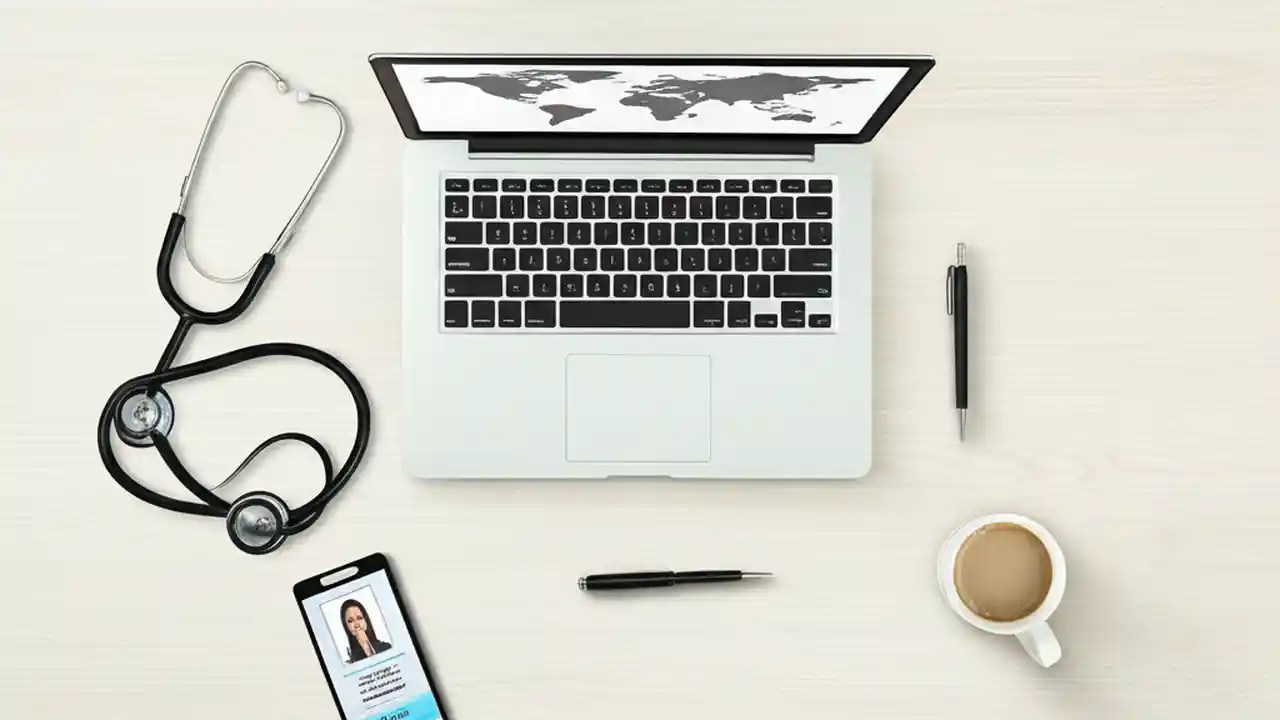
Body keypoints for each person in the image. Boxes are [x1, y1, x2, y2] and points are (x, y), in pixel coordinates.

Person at [340, 598, 391, 663]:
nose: (356, 624)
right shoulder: (350, 663)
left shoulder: (386, 647)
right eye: (350, 621)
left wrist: (367, 647)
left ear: (365, 620)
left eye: (359, 618)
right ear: (346, 626)